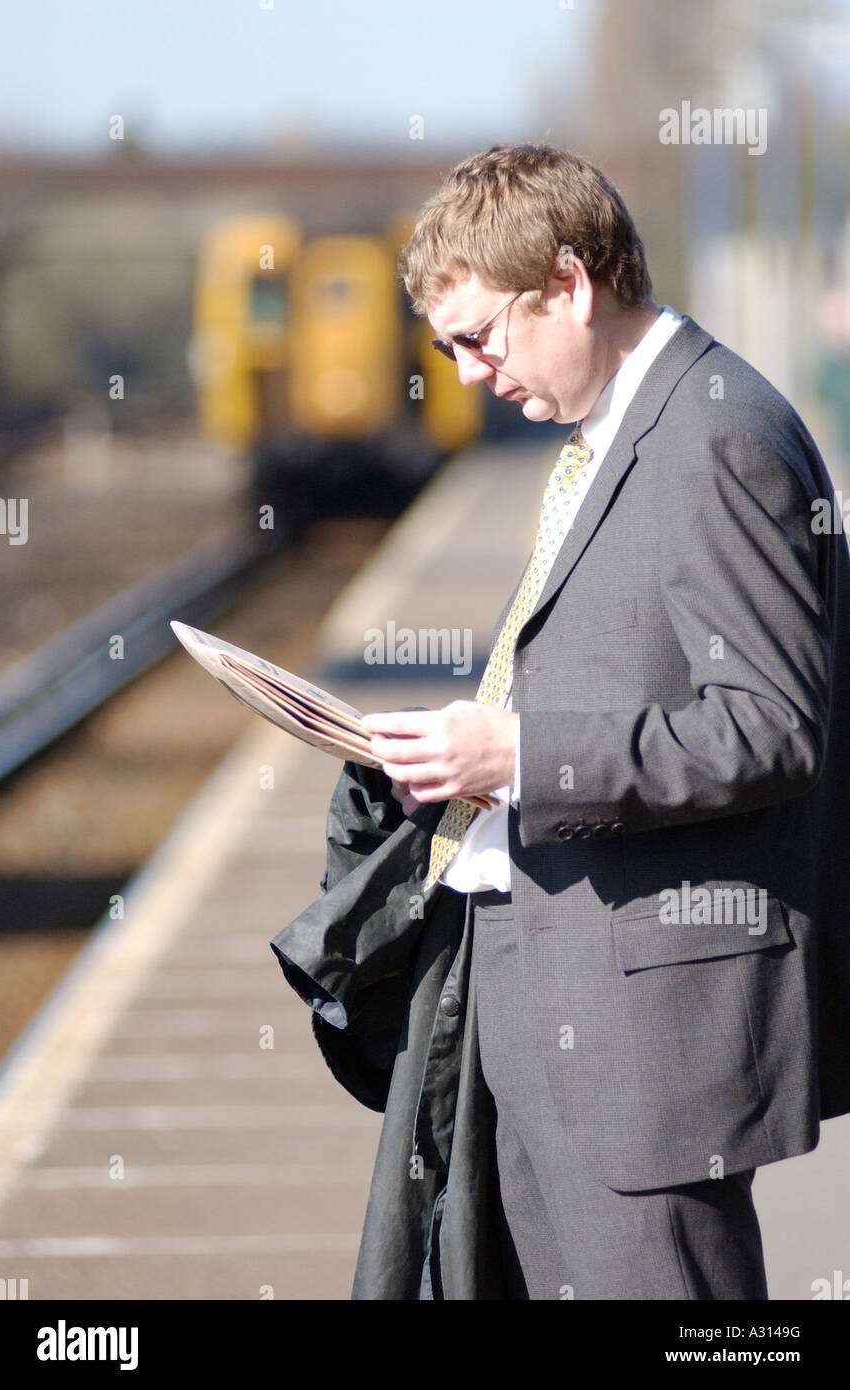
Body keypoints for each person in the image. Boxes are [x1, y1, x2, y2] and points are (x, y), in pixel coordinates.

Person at [353, 142, 850, 1300]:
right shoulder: (616, 433)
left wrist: (518, 755)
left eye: (477, 337)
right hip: (554, 984)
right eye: (445, 351)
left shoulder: (713, 439)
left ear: (569, 284)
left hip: (651, 1042)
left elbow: (774, 724)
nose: (468, 374)